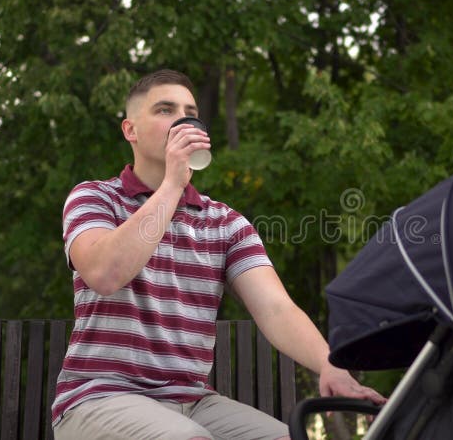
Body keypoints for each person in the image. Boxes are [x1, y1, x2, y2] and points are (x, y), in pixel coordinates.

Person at [52, 69, 386, 440]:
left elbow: (276, 308)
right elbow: (104, 273)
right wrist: (172, 186)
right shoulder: (94, 198)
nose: (182, 120)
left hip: (192, 403)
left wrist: (331, 365)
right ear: (130, 130)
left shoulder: (225, 222)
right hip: (100, 396)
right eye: (165, 109)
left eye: (189, 111)